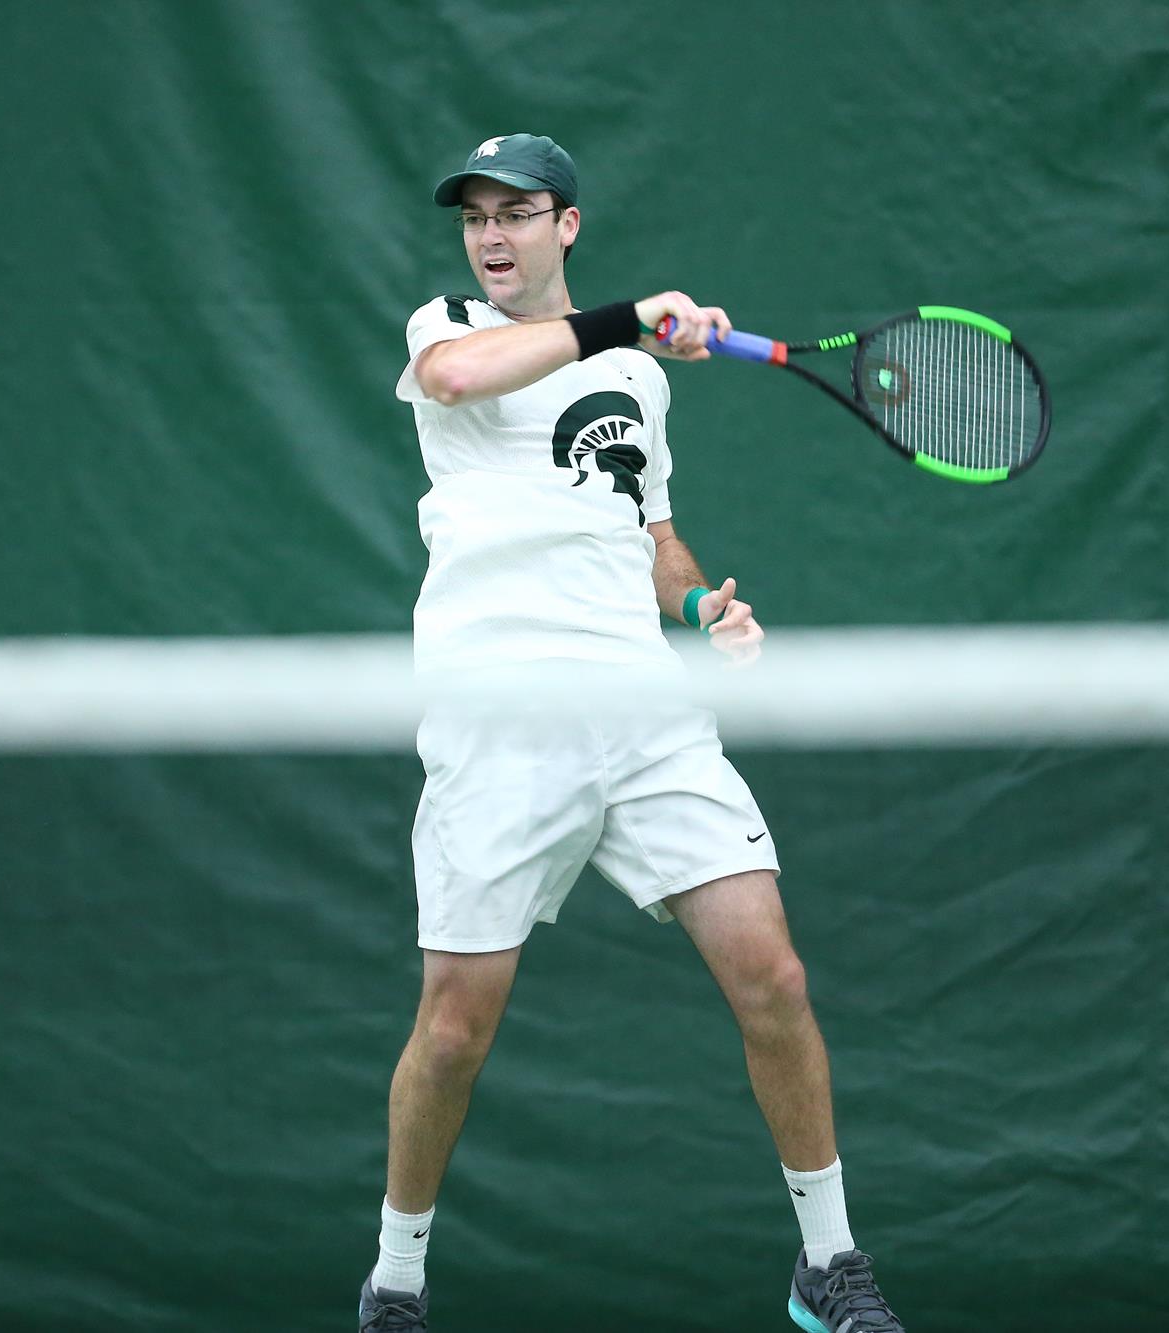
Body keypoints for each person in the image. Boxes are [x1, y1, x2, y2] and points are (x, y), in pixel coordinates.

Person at [359, 134, 906, 1333]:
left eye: (518, 214)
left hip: (643, 708)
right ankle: (396, 1277)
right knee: (452, 1032)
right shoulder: (442, 327)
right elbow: (460, 381)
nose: (491, 237)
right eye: (476, 218)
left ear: (567, 224)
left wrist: (701, 603)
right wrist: (621, 317)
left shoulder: (641, 383)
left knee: (771, 972)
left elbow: (647, 529)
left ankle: (828, 1261)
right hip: (497, 711)